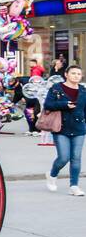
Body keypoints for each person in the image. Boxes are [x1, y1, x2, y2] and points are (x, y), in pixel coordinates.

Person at [44, 65, 85, 197]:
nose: (76, 76)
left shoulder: (83, 91)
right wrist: (64, 104)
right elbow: (47, 105)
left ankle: (74, 186)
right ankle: (52, 174)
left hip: (79, 128)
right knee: (63, 157)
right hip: (61, 127)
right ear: (66, 74)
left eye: (79, 74)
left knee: (76, 158)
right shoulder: (56, 88)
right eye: (73, 73)